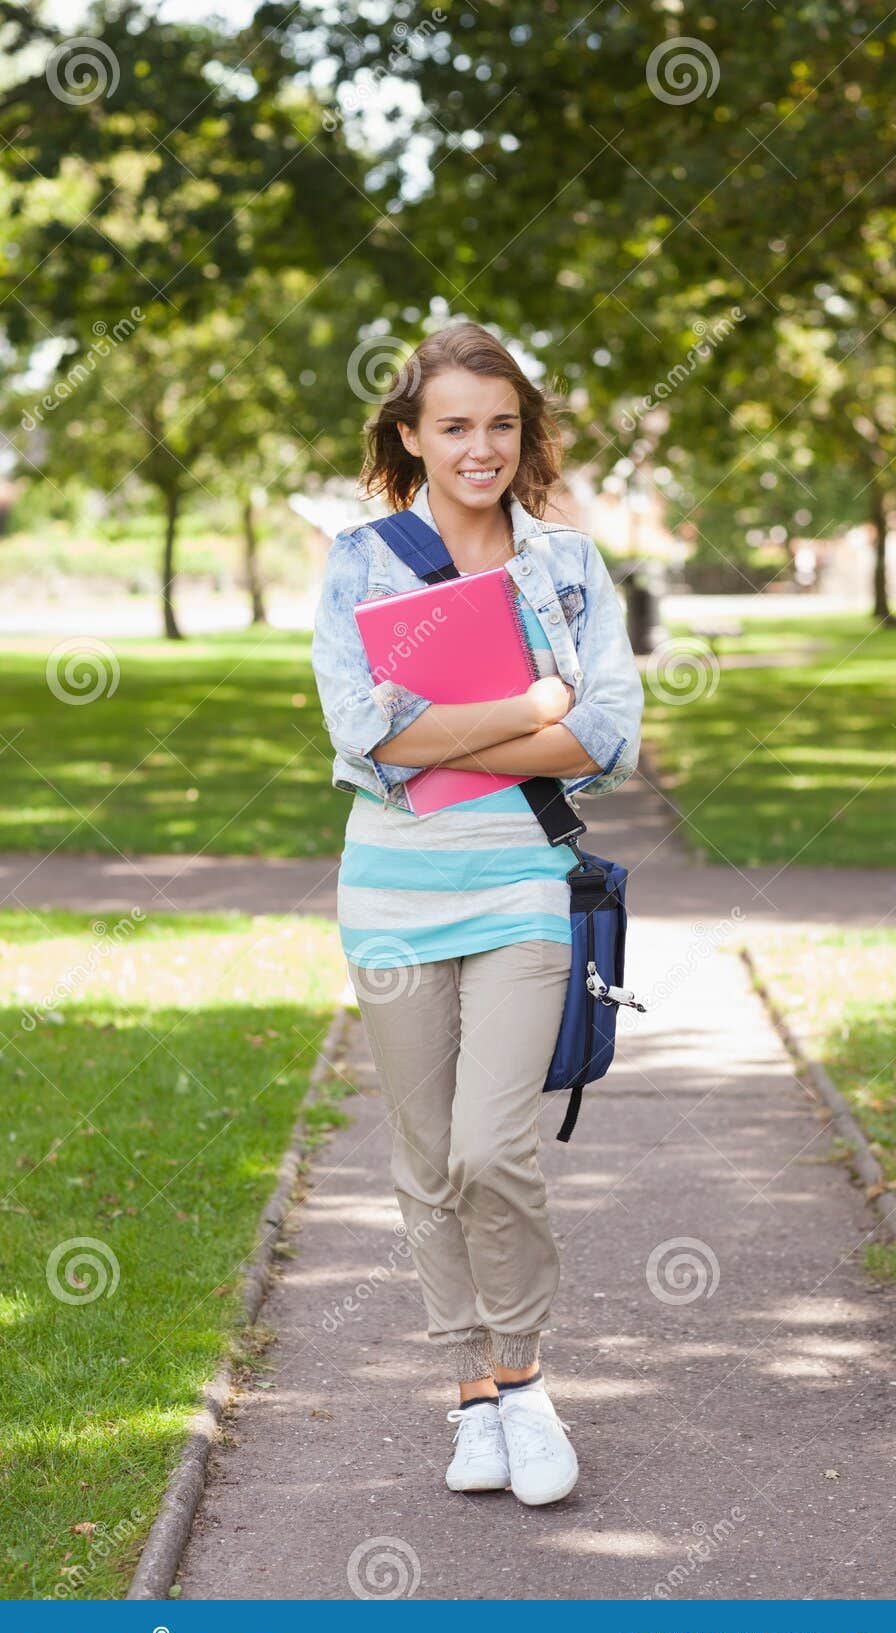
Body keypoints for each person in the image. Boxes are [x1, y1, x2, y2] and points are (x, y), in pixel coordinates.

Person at [311, 321, 643, 1506]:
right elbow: (367, 732)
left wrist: (465, 726)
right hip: (390, 891)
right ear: (410, 435)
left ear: (524, 434)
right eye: (454, 425)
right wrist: (526, 702)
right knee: (422, 1156)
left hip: (519, 884)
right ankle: (468, 1397)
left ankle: (526, 1379)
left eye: (500, 424)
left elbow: (603, 734)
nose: (479, 446)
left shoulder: (566, 566)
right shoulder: (360, 562)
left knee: (490, 1145)